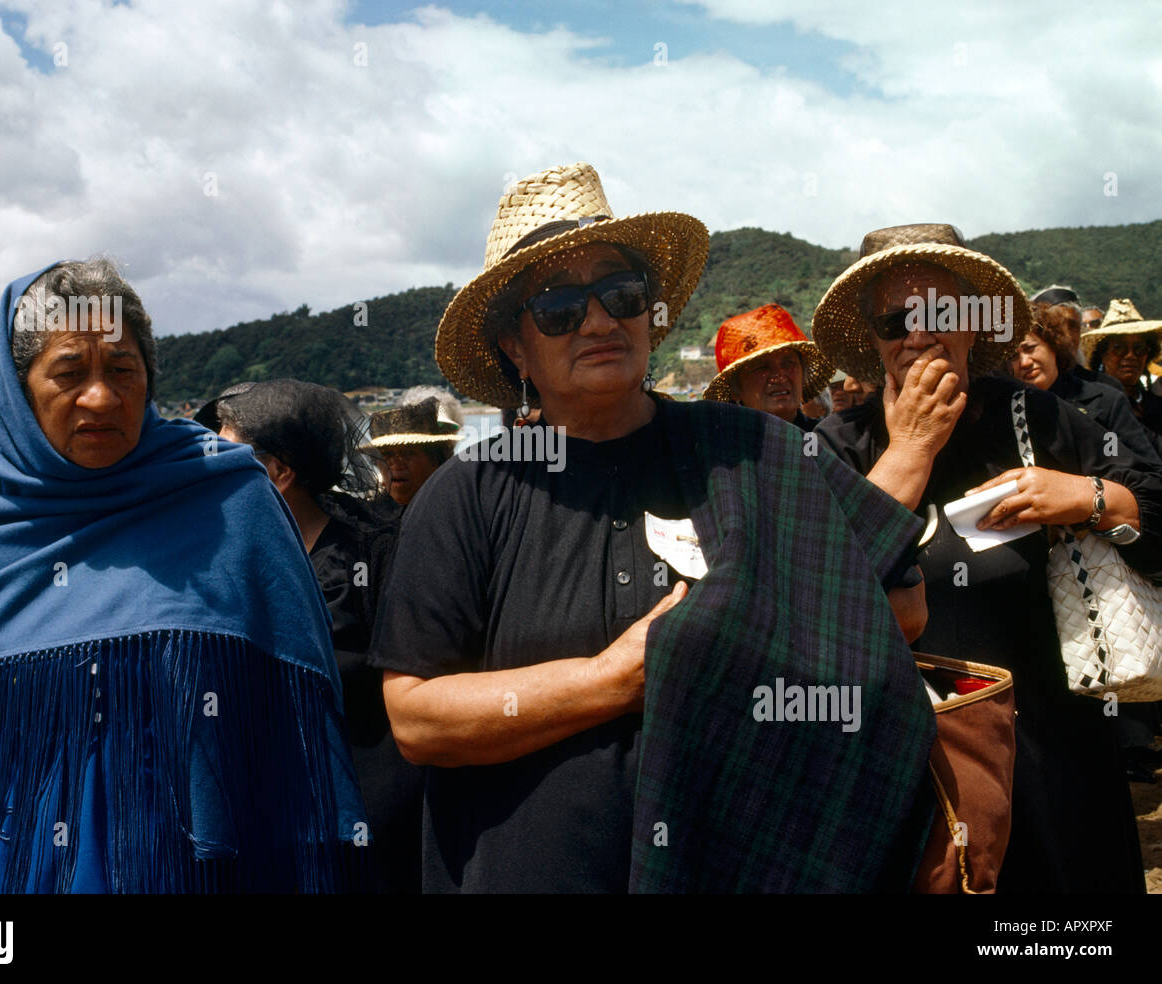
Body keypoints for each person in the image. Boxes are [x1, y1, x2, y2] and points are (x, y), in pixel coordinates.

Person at [370, 162, 937, 894]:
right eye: (560, 307)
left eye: (622, 293)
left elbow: (903, 608)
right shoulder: (467, 495)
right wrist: (611, 680)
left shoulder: (759, 452)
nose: (601, 320)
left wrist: (737, 639)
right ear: (515, 345)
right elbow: (417, 718)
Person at [0, 260, 366, 893]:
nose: (101, 397)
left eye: (122, 370)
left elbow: (298, 718)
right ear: (18, 387)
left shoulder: (229, 496)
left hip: (201, 868)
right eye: (69, 372)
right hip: (27, 866)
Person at [812, 224, 1162, 893]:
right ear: (873, 336)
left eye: (940, 312)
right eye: (895, 319)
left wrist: (1090, 497)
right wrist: (909, 452)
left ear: (973, 323)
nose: (918, 335)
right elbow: (815, 590)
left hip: (1054, 763)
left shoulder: (1039, 420)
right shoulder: (837, 447)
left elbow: (1155, 518)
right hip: (907, 768)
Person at [195, 379, 422, 892]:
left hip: (368, 819)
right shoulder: (218, 559)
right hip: (263, 816)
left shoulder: (373, 556)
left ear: (278, 472)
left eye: (224, 452)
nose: (209, 466)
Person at [1010, 301, 1162, 460]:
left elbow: (1137, 470)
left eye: (1139, 349)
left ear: (1053, 346)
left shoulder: (1106, 400)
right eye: (1119, 348)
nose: (1025, 362)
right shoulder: (1007, 411)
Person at [701, 303, 835, 431]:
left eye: (788, 363)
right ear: (735, 391)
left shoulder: (823, 443)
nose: (779, 376)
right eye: (762, 367)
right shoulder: (719, 447)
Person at [1082, 298, 1162, 440]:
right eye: (1119, 349)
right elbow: (1109, 451)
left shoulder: (1156, 404)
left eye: (1139, 349)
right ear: (1102, 354)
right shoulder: (1094, 407)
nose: (1130, 356)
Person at [364, 392, 462, 507]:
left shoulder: (457, 504)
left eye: (407, 453)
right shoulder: (368, 513)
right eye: (387, 454)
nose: (396, 464)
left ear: (435, 459)